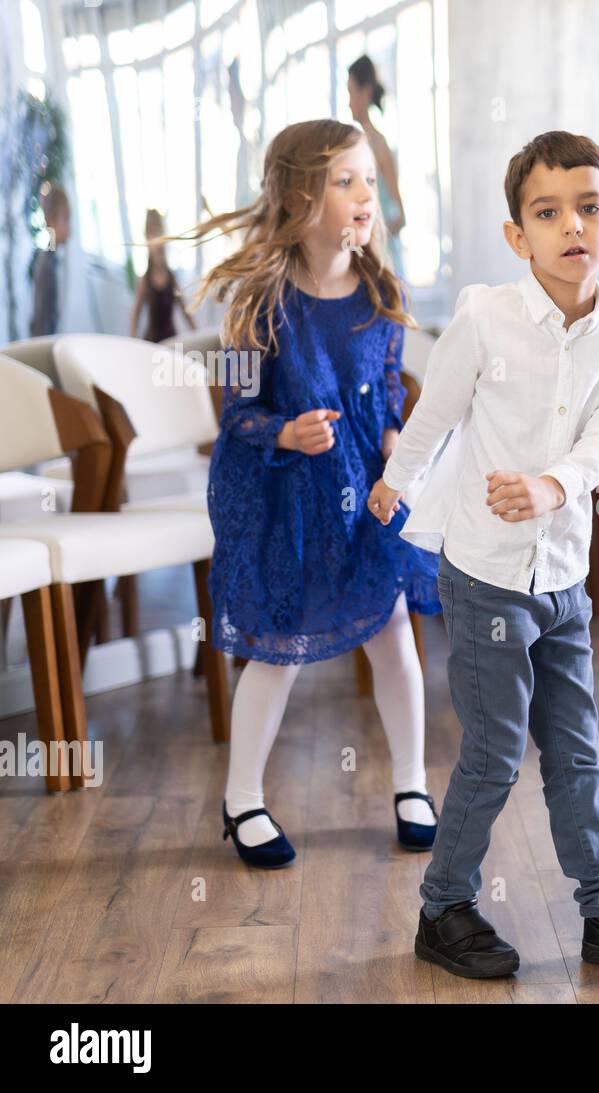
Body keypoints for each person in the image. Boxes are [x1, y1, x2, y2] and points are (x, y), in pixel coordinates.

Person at [368, 131, 599, 977]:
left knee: (578, 747)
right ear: (518, 234)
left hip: (562, 577)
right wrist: (396, 481)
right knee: (493, 748)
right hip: (486, 573)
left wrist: (553, 487)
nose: (572, 226)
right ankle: (443, 908)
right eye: (548, 212)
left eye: (589, 208)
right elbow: (436, 412)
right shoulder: (486, 315)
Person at [183, 119, 441, 868]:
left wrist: (395, 436)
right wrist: (285, 433)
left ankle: (412, 782)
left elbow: (388, 390)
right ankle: (242, 797)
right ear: (301, 195)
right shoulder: (254, 300)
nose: (367, 194)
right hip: (290, 497)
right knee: (279, 650)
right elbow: (236, 412)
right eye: (346, 180)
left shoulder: (380, 288)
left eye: (367, 179)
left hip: (367, 496)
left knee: (393, 629)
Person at [348, 55, 406, 281]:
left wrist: (372, 239)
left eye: (351, 92)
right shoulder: (355, 145)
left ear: (366, 93)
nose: (349, 101)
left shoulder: (379, 145)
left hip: (383, 263)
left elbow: (400, 216)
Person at [129, 209, 198, 343]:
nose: (157, 242)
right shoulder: (145, 279)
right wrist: (134, 341)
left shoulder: (172, 278)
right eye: (152, 234)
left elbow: (186, 312)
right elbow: (135, 316)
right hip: (152, 343)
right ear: (147, 239)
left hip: (172, 342)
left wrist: (198, 334)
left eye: (159, 233)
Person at [29, 184, 71, 337]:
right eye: (66, 220)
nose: (70, 228)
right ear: (52, 222)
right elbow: (41, 321)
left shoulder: (57, 260)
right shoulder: (46, 266)